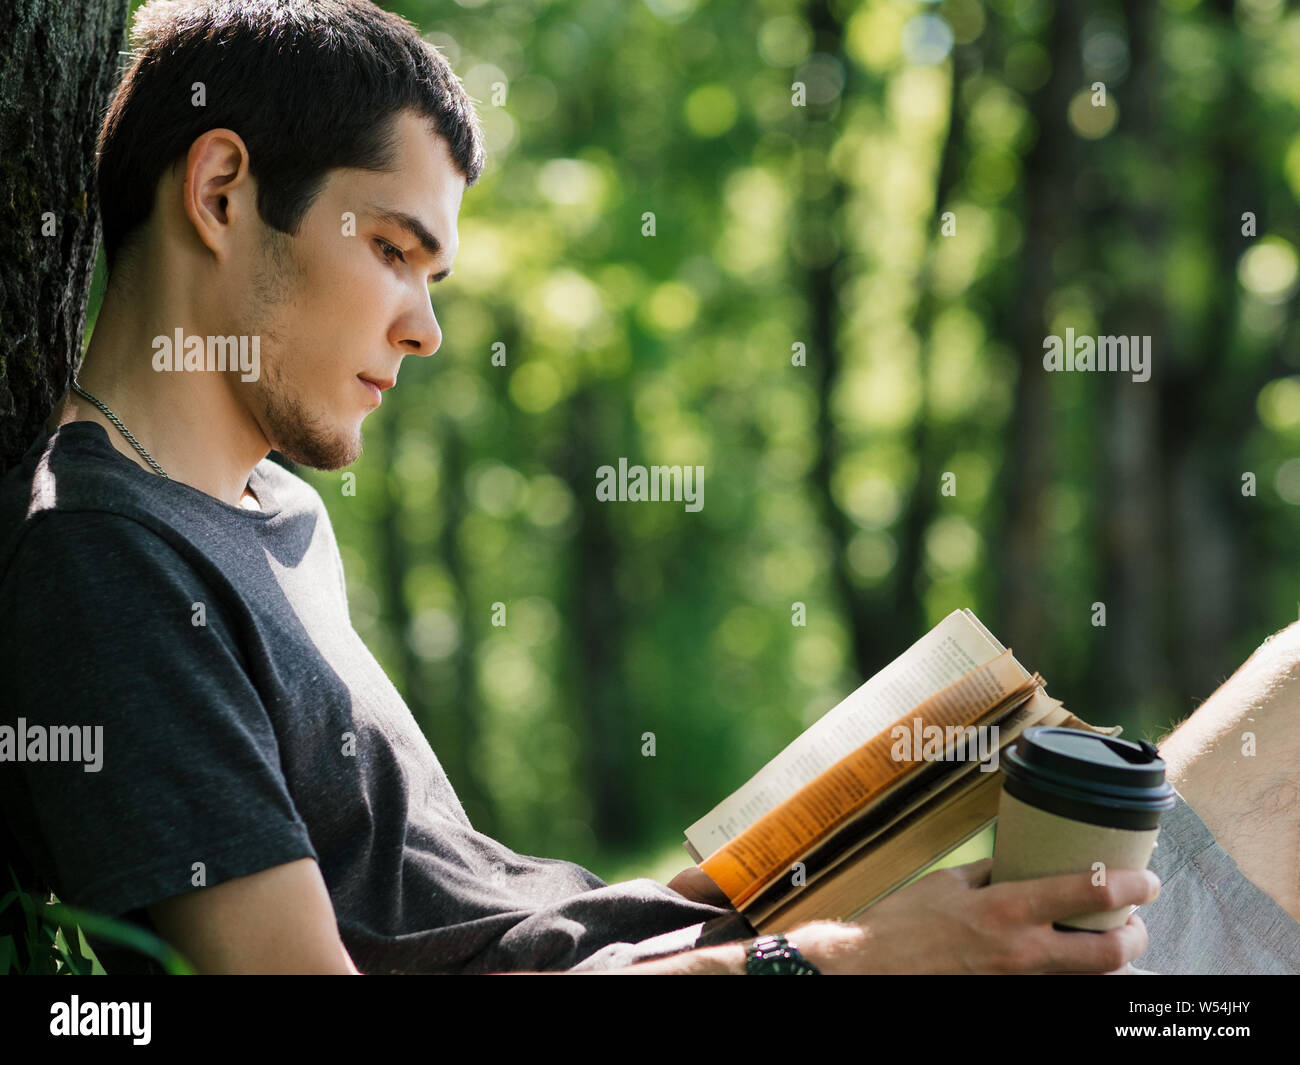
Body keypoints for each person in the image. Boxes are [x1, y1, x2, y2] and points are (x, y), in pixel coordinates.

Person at [1, 0, 1296, 976]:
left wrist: (779, 878)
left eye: (432, 278)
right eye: (394, 249)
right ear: (223, 190)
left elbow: (478, 928)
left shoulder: (271, 519)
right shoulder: (105, 563)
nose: (423, 330)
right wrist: (841, 959)